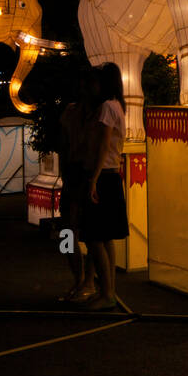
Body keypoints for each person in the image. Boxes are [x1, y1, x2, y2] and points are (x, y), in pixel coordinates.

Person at [81, 63, 128, 311]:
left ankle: (107, 293)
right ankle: (108, 290)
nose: (91, 86)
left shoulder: (107, 108)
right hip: (111, 175)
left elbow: (102, 146)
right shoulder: (117, 106)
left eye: (95, 82)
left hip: (103, 176)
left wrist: (93, 178)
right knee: (106, 237)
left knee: (95, 237)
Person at [57, 69, 100, 302]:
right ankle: (80, 279)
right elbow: (64, 144)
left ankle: (87, 281)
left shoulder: (95, 114)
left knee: (88, 231)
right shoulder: (72, 113)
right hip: (75, 173)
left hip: (84, 174)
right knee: (69, 229)